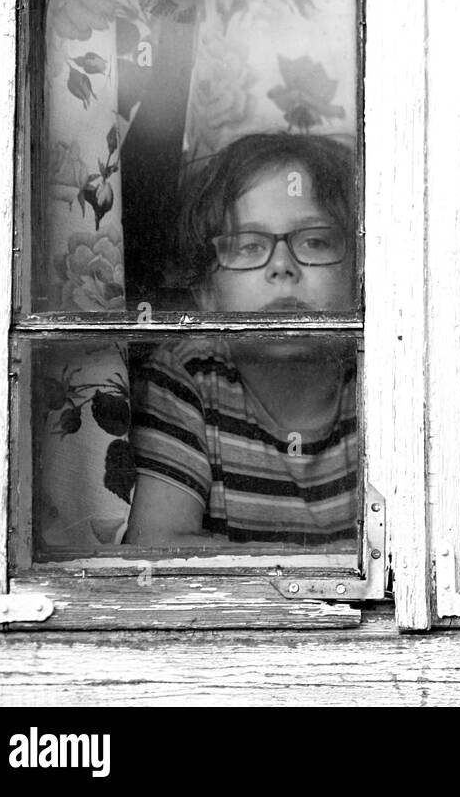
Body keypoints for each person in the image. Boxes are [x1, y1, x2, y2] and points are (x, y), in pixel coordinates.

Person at [125, 132, 359, 549]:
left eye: (315, 241)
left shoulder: (388, 373)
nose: (282, 267)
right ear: (206, 291)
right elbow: (156, 544)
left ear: (359, 275)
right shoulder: (187, 377)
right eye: (249, 246)